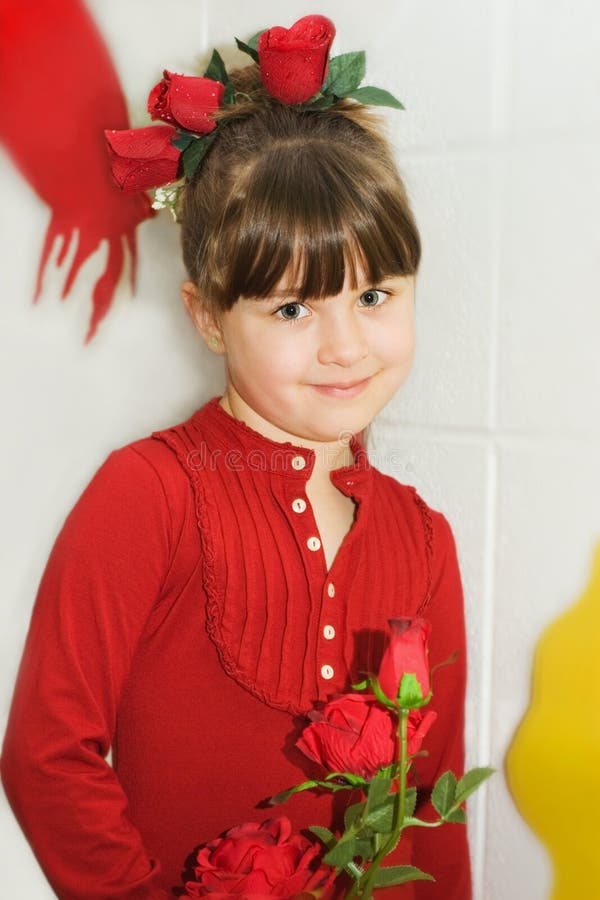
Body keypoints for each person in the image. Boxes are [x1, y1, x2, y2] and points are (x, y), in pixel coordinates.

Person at [1, 15, 471, 900]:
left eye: (374, 295)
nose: (345, 346)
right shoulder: (149, 494)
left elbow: (431, 820)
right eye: (292, 309)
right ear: (209, 316)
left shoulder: (424, 541)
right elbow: (47, 756)